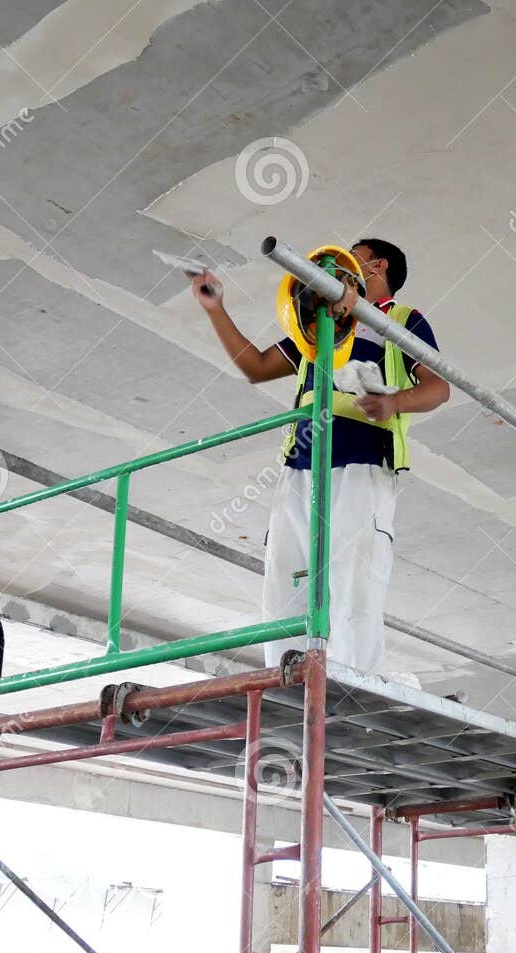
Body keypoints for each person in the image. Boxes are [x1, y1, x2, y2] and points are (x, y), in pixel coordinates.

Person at [191, 238, 449, 676]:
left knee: (353, 578)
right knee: (287, 574)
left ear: (379, 265)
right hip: (301, 464)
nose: (340, 268)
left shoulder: (401, 319)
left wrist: (395, 402)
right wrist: (215, 308)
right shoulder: (318, 324)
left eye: (355, 258)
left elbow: (439, 387)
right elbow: (256, 367)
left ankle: (354, 683)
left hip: (362, 460)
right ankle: (287, 678)